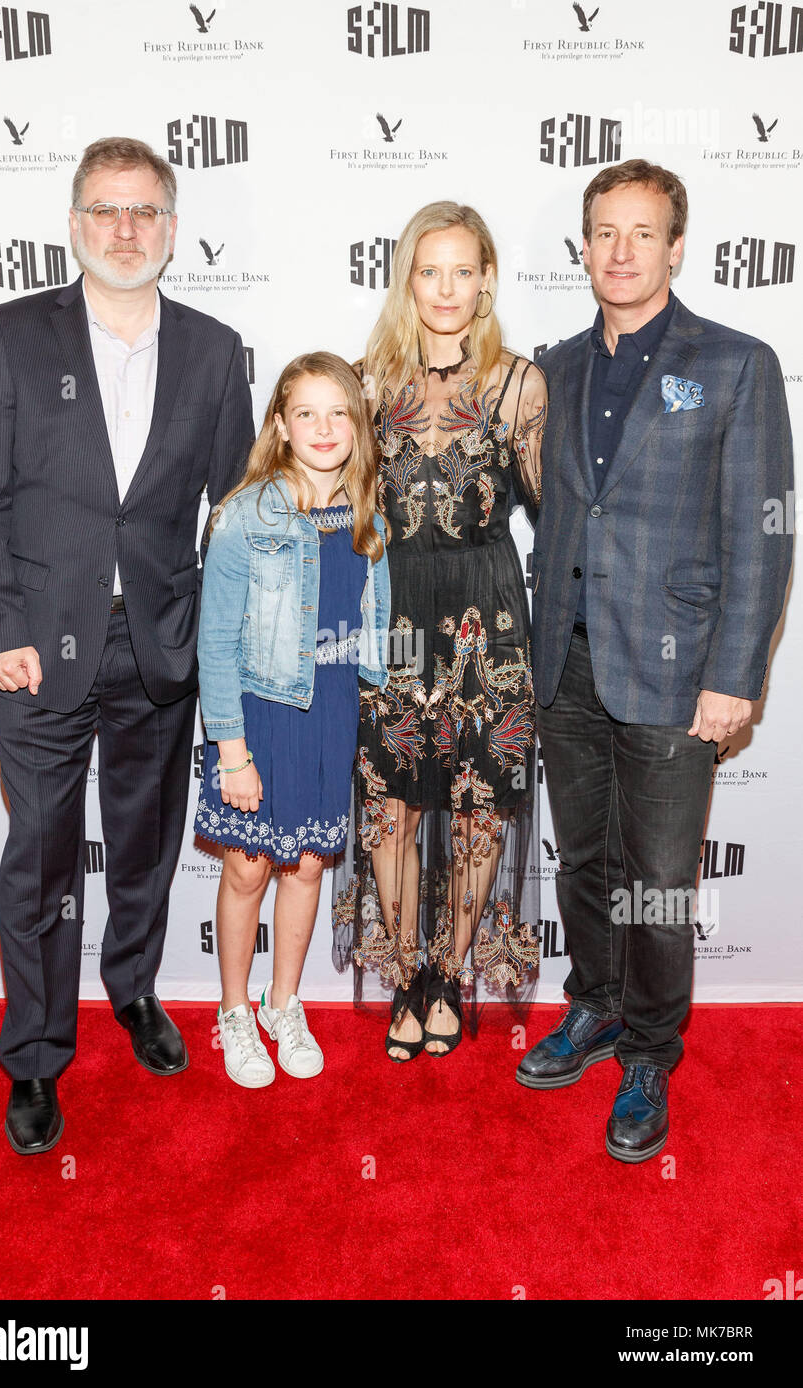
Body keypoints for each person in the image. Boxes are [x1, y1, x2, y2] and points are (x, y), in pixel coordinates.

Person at [0, 136, 254, 1154]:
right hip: (35, 651)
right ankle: (35, 1055)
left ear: (171, 229)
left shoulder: (216, 350)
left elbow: (239, 514)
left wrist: (221, 638)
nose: (125, 229)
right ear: (74, 225)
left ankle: (132, 992)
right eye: (104, 210)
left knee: (142, 847)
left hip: (158, 651)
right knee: (39, 857)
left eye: (143, 211)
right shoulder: (13, 334)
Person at [518, 159, 793, 1162]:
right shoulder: (550, 367)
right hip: (568, 666)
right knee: (584, 862)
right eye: (602, 232)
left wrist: (735, 676)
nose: (620, 251)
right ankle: (591, 1004)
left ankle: (647, 1048)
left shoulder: (735, 363)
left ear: (676, 247)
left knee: (659, 882)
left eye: (641, 233)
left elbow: (762, 536)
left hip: (679, 675)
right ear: (583, 246)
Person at [332, 202, 546, 1060]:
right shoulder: (366, 382)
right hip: (391, 616)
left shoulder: (517, 384)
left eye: (464, 270)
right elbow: (328, 505)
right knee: (391, 799)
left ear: (488, 278)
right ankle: (407, 966)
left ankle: (450, 972)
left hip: (486, 619)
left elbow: (562, 516)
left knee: (475, 801)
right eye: (431, 270)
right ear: (407, 279)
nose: (448, 288)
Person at [195, 352, 390, 1088]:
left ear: (358, 424)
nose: (323, 427)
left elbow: (371, 629)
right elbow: (215, 641)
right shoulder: (247, 513)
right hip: (261, 717)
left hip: (332, 715)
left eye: (339, 411)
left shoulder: (371, 512)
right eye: (305, 412)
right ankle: (235, 1012)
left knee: (307, 864)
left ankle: (284, 1003)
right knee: (248, 868)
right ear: (279, 424)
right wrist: (232, 751)